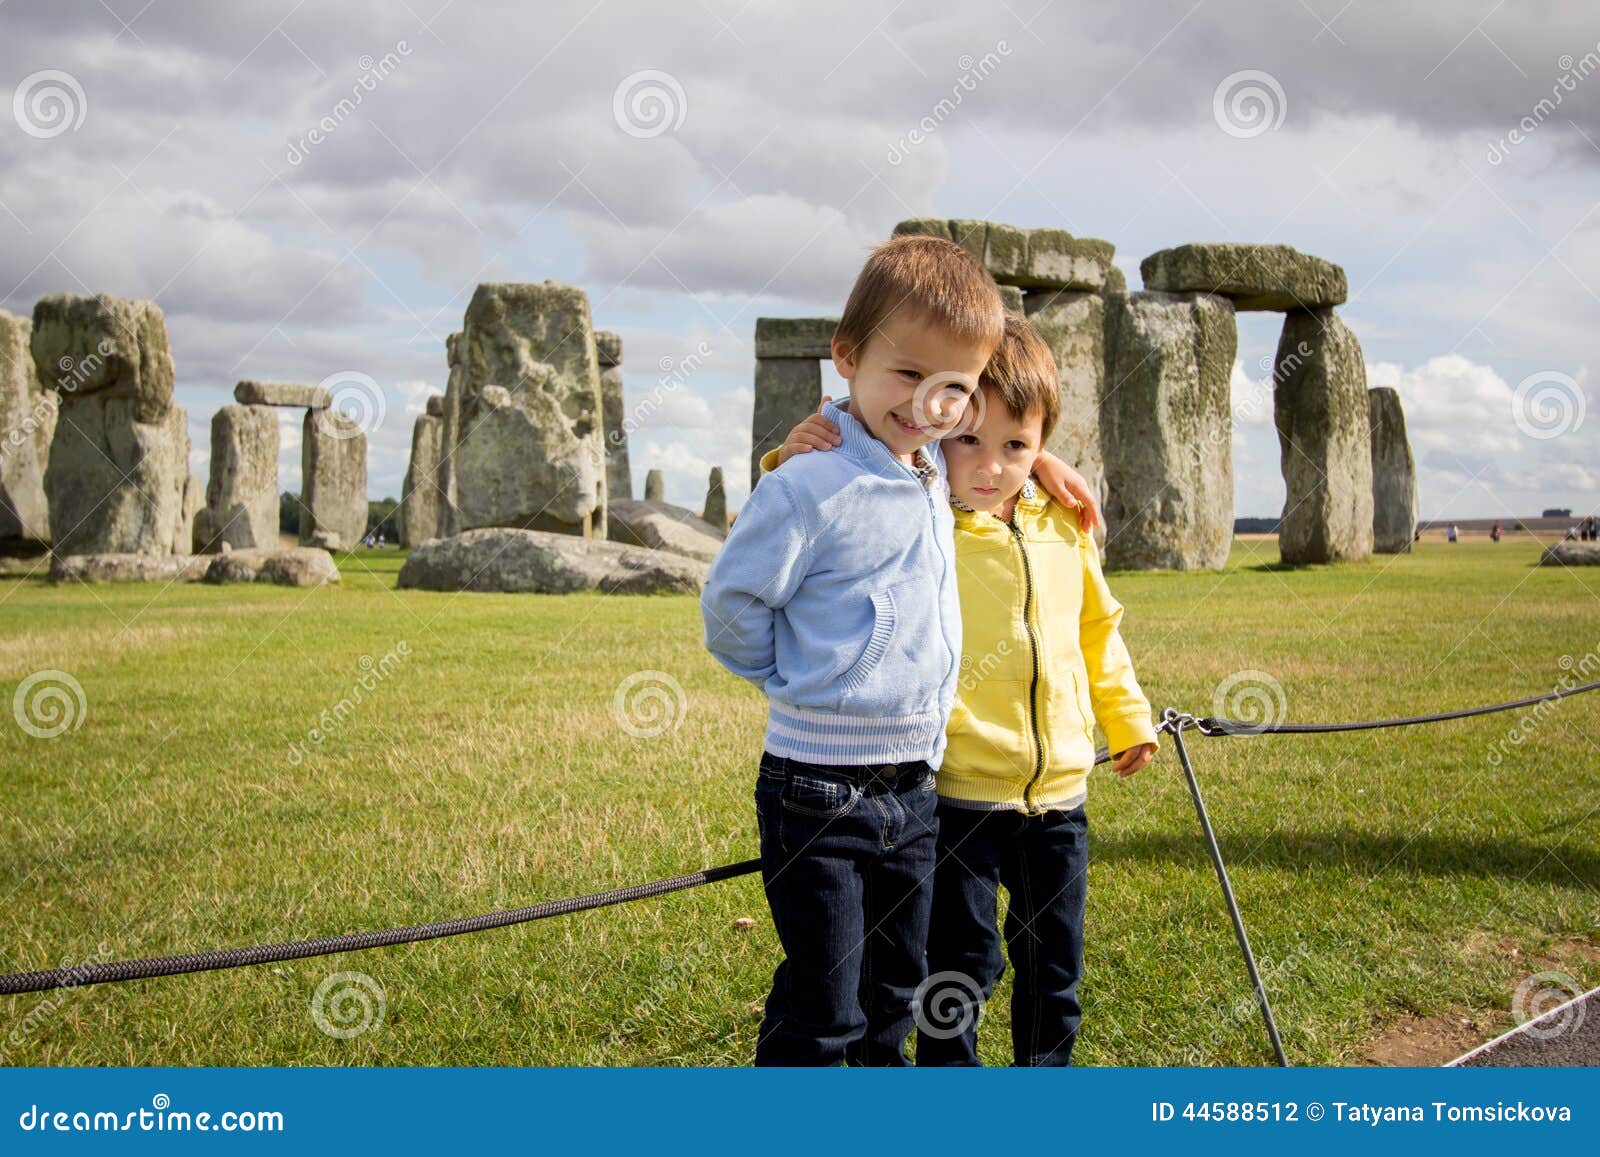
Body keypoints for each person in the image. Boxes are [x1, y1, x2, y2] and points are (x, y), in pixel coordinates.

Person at [702, 237, 1099, 1067]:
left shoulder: (928, 471)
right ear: (845, 356)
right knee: (825, 1007)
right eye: (907, 375)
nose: (929, 406)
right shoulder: (810, 480)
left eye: (951, 387)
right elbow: (734, 602)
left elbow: (976, 455)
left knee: (894, 994)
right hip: (816, 789)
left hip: (914, 791)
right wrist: (796, 675)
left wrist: (1037, 460)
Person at [763, 316, 1156, 1066]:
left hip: (1060, 792)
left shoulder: (1063, 525)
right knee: (962, 965)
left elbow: (1098, 628)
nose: (990, 465)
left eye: (1016, 446)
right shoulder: (927, 518)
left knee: (1056, 966)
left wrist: (1127, 715)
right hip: (958, 792)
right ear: (940, 433)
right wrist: (795, 448)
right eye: (968, 440)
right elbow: (844, 498)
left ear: (1042, 444)